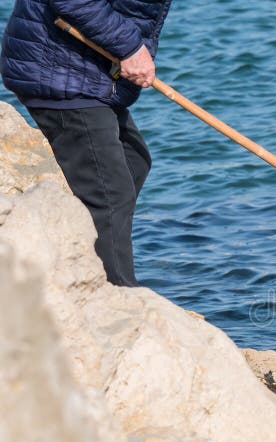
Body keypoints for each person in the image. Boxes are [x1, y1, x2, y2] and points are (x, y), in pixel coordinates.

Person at [1, 0, 173, 287]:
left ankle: (77, 255)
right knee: (110, 192)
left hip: (88, 73)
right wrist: (129, 47)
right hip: (58, 72)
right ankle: (118, 295)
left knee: (135, 161)